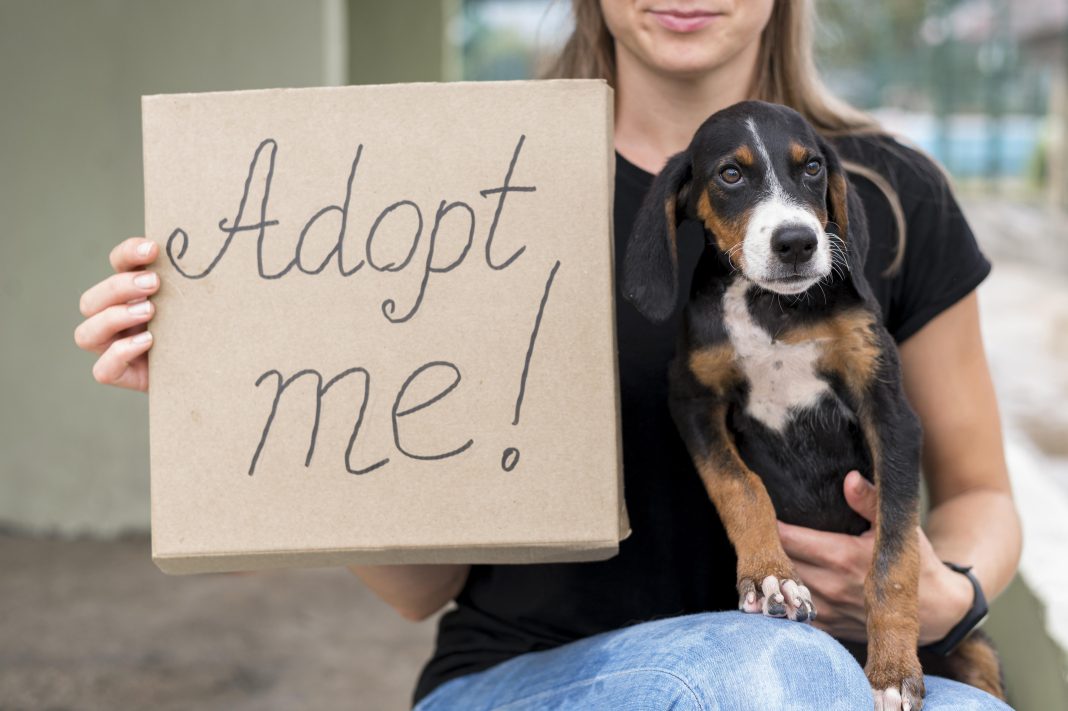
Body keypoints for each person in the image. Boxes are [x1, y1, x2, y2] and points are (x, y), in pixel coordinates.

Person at [75, 1, 1020, 709]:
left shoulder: (886, 195)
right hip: (534, 674)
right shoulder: (474, 191)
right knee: (767, 672)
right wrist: (237, 384)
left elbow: (979, 489)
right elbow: (421, 589)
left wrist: (948, 594)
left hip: (849, 667)